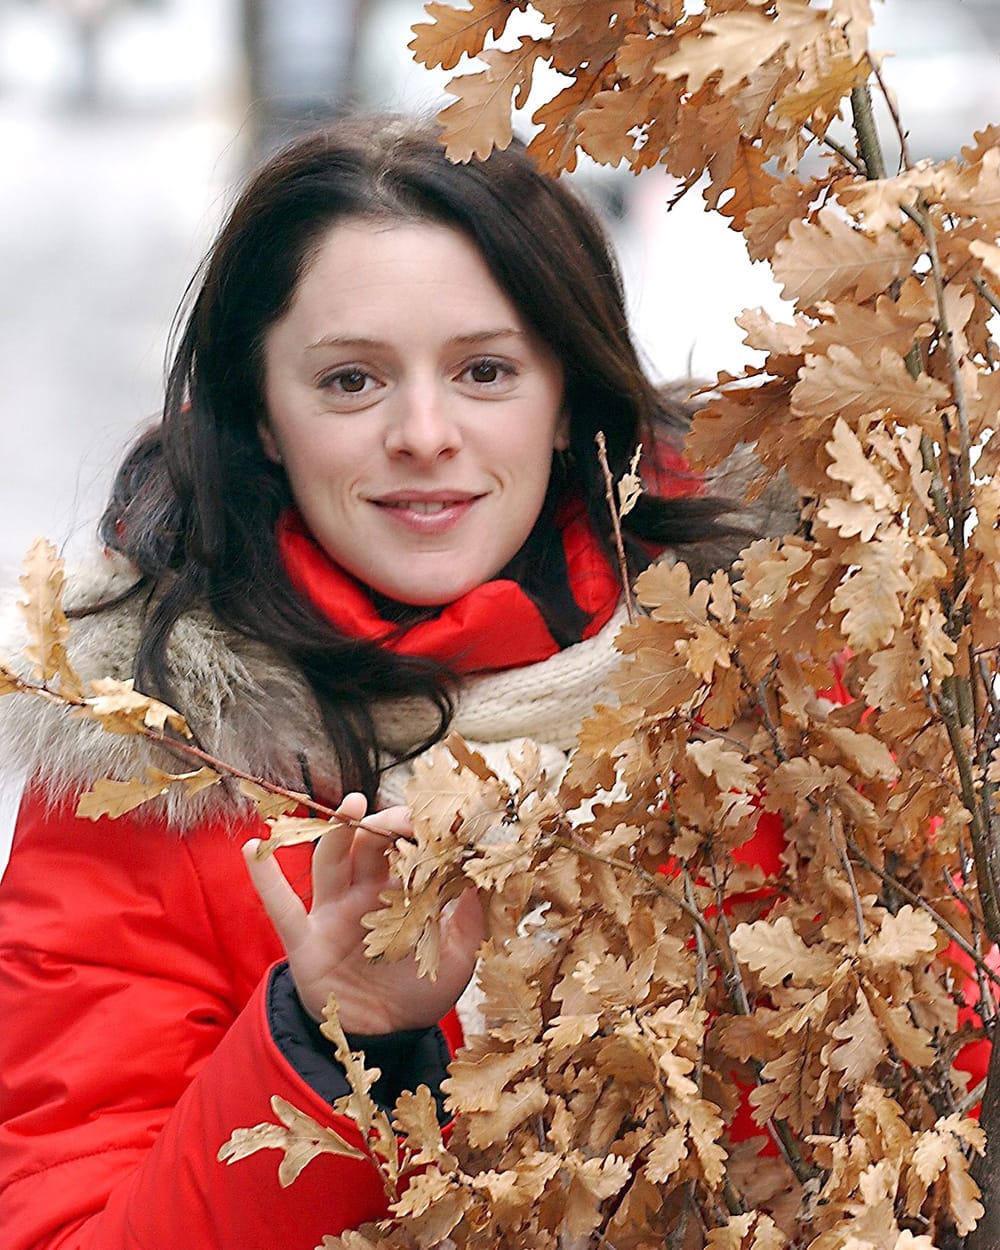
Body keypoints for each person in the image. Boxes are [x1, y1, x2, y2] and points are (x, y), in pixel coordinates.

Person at [0, 116, 736, 1249]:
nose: (424, 434)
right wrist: (334, 1037)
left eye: (484, 370)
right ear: (259, 415)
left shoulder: (767, 692)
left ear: (565, 401)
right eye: (351, 380)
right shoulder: (145, 773)